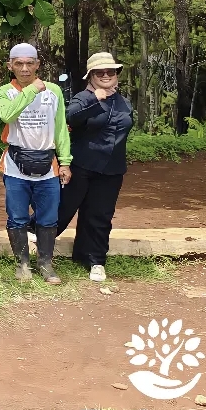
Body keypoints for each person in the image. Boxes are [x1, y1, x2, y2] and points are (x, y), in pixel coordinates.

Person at [0, 43, 72, 284]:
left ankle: (46, 263)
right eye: (19, 64)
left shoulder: (53, 91)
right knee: (16, 216)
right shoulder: (3, 92)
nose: (25, 69)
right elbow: (7, 115)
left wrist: (66, 162)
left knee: (48, 217)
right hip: (16, 165)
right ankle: (22, 264)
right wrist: (30, 91)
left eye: (30, 63)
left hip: (48, 164)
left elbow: (60, 129)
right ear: (10, 66)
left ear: (38, 64)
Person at [57, 51, 133, 283]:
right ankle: (33, 243)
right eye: (100, 72)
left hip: (111, 170)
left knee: (99, 216)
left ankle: (94, 260)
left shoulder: (124, 102)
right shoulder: (83, 97)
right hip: (81, 165)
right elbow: (70, 117)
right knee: (63, 209)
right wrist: (95, 98)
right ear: (91, 76)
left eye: (111, 71)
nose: (106, 75)